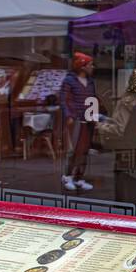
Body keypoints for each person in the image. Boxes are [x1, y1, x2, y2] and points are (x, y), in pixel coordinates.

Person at [59, 52, 98, 191]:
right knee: (74, 149)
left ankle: (79, 177)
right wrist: (69, 115)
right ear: (82, 66)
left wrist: (95, 114)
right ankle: (67, 176)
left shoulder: (91, 82)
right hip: (75, 120)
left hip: (88, 120)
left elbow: (93, 98)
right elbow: (64, 100)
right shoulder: (69, 81)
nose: (92, 67)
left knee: (85, 150)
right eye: (89, 64)